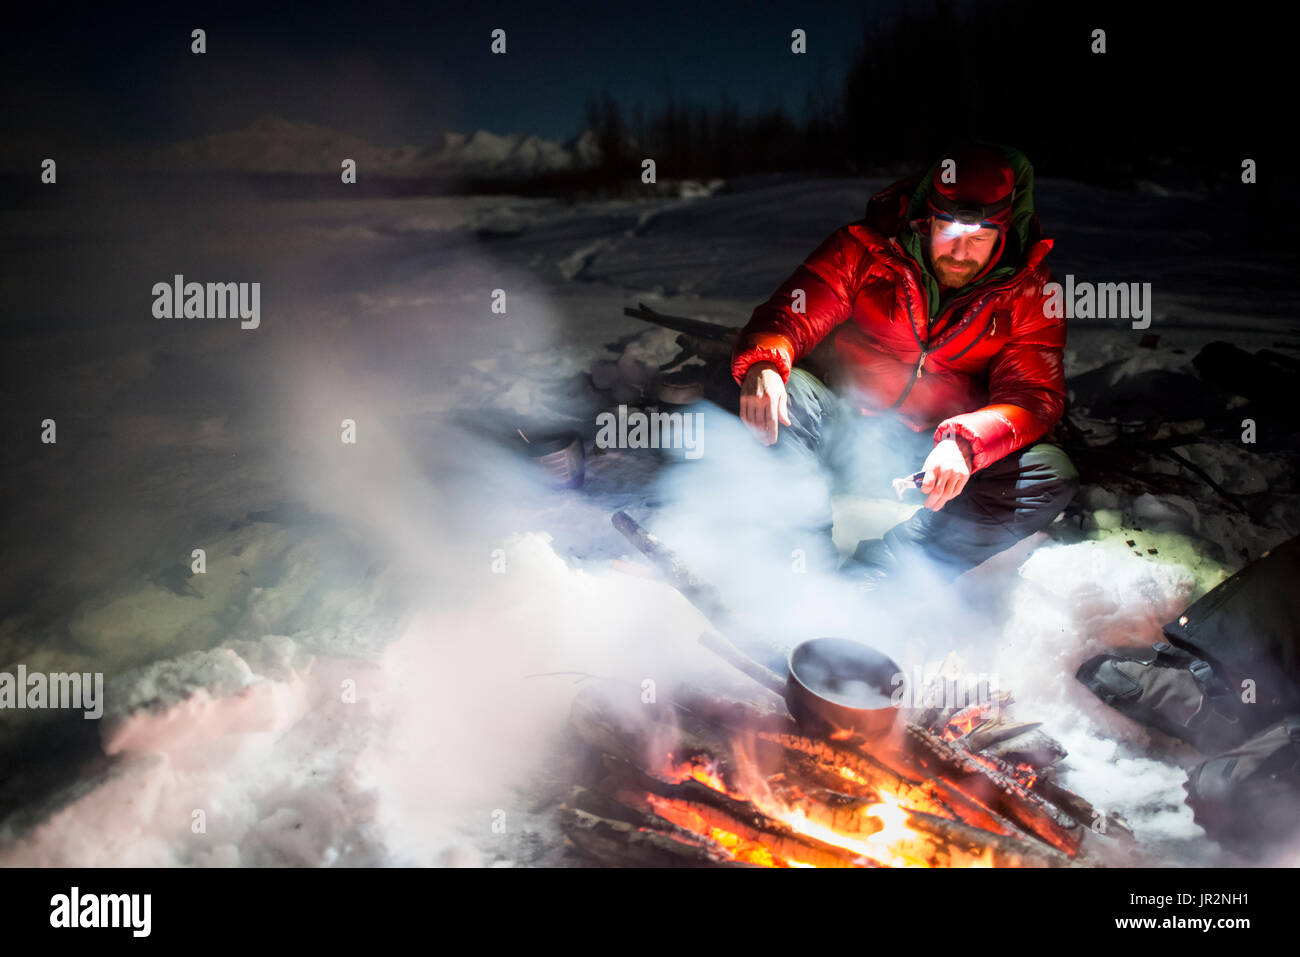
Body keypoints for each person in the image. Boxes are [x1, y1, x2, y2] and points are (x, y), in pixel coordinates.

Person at [730, 142, 1078, 588]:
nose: (959, 252)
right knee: (787, 390)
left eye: (978, 240)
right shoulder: (864, 251)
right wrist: (764, 363)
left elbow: (1032, 397)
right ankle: (805, 571)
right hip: (846, 435)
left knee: (1049, 475)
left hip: (933, 465)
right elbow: (789, 314)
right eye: (948, 234)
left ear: (1003, 235)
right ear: (926, 221)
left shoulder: (1031, 291)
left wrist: (966, 443)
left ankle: (885, 571)